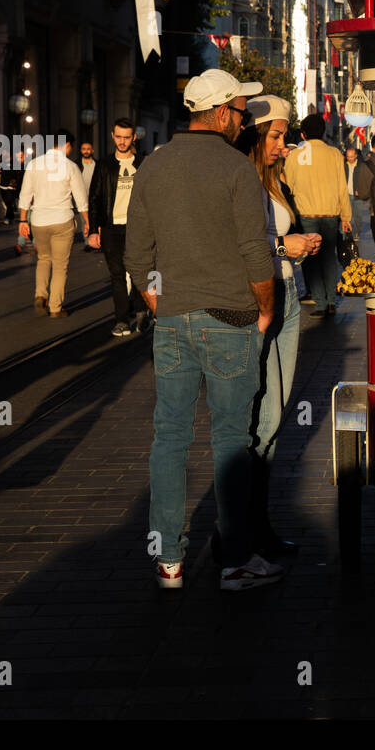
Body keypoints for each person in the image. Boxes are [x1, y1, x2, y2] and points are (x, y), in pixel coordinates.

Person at [123, 68, 282, 591]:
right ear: (219, 112)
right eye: (240, 111)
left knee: (169, 437)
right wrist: (265, 308)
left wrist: (160, 299)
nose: (244, 121)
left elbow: (135, 252)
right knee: (231, 440)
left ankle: (168, 558)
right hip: (231, 317)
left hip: (172, 321)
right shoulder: (236, 169)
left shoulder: (152, 166)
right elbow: (256, 251)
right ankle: (235, 560)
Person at [242, 95, 322, 557]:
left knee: (275, 416)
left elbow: (272, 239)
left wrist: (299, 244)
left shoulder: (274, 181)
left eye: (285, 136)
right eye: (275, 137)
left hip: (288, 295)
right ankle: (239, 527)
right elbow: (240, 241)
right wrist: (282, 244)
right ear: (256, 136)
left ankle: (258, 524)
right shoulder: (240, 178)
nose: (284, 145)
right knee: (263, 418)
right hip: (260, 298)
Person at [284, 113, 351, 316]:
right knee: (329, 258)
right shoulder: (335, 154)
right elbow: (342, 188)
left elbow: (289, 186)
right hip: (331, 214)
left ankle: (320, 302)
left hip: (306, 215)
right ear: (323, 132)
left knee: (311, 260)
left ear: (303, 134)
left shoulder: (295, 156)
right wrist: (346, 216)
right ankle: (332, 301)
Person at [17, 129, 88, 318]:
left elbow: (25, 195)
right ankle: (55, 307)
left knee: (43, 259)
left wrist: (23, 220)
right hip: (62, 219)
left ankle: (40, 294)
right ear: (67, 145)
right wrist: (87, 222)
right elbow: (81, 199)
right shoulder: (71, 166)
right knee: (59, 265)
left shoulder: (34, 164)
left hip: (38, 221)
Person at [87, 119, 149, 336]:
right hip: (112, 229)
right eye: (119, 136)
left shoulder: (142, 164)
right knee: (117, 275)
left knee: (141, 271)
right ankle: (121, 320)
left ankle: (142, 310)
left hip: (138, 228)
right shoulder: (104, 165)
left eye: (127, 137)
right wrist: (93, 230)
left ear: (134, 138)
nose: (122, 141)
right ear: (113, 136)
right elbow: (94, 198)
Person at [345, 145, 371, 239]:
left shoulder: (362, 166)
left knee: (358, 216)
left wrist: (361, 190)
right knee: (346, 217)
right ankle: (347, 234)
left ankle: (356, 233)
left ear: (356, 155)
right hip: (346, 195)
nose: (350, 158)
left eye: (351, 156)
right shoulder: (344, 165)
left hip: (357, 195)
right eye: (348, 156)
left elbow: (366, 179)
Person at [77, 141, 99, 251]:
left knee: (97, 218)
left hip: (95, 196)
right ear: (81, 151)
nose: (86, 151)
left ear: (92, 150)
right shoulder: (77, 165)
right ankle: (87, 242)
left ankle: (97, 241)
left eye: (88, 149)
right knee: (84, 220)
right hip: (82, 197)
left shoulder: (97, 164)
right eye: (84, 149)